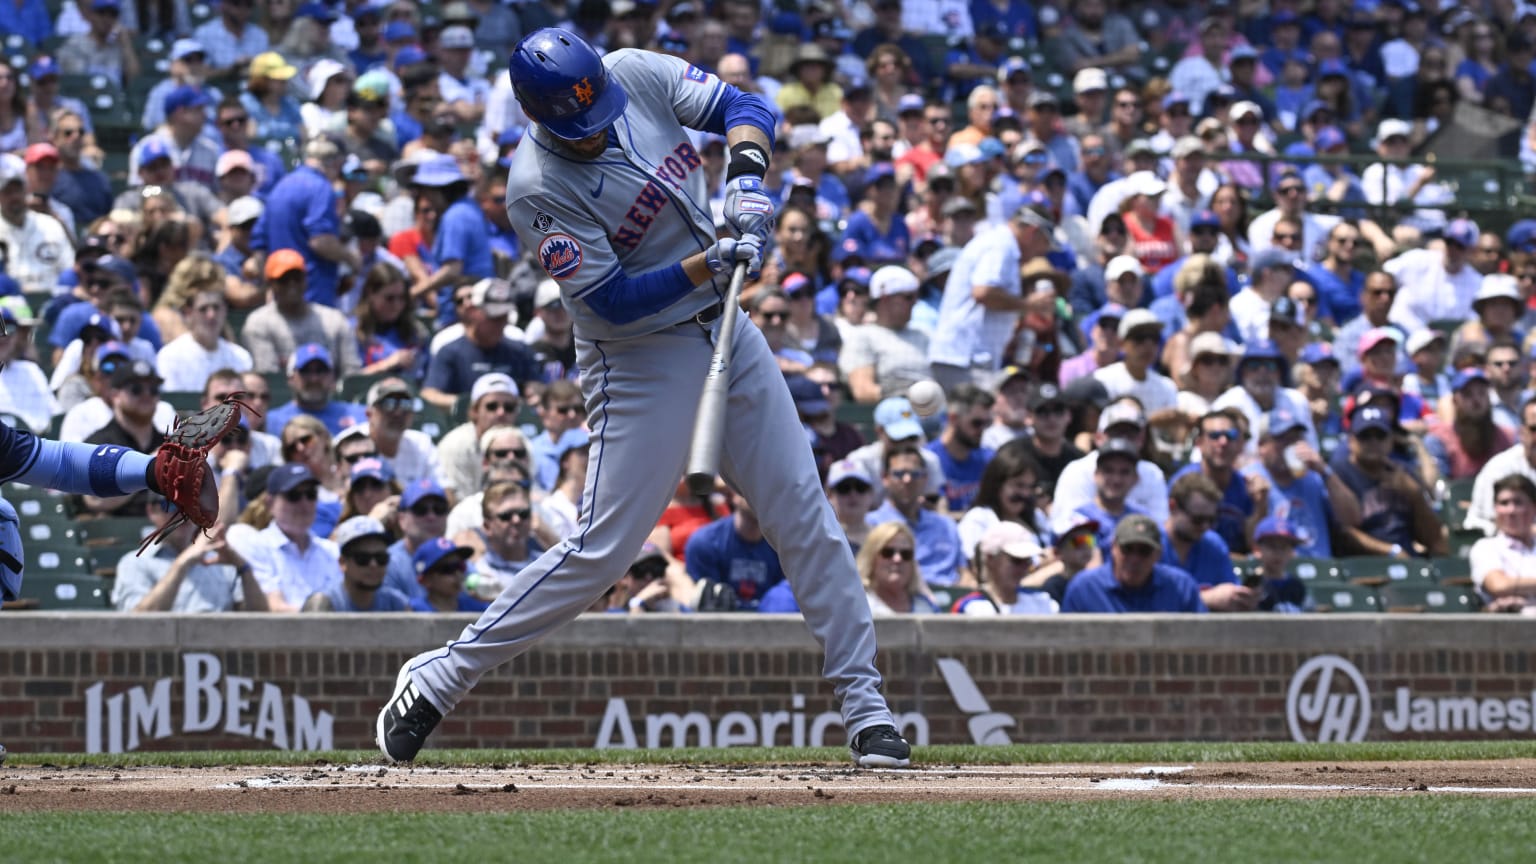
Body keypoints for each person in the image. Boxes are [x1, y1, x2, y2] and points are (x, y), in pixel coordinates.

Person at [377, 29, 910, 769]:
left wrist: (747, 174)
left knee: (804, 515)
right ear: (539, 116)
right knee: (603, 552)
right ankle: (441, 674)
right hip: (637, 358)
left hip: (728, 332)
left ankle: (866, 708)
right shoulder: (536, 183)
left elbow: (743, 104)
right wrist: (710, 260)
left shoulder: (632, 74)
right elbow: (613, 299)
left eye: (599, 116)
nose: (595, 134)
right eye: (579, 127)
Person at [927, 205, 1058, 391]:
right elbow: (983, 292)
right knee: (976, 416)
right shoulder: (1001, 245)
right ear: (1032, 232)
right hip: (965, 358)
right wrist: (1028, 304)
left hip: (969, 358)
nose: (1042, 252)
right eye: (1044, 243)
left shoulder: (1002, 244)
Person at [252, 134, 359, 308]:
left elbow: (259, 245)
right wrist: (351, 258)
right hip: (313, 297)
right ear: (336, 162)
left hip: (280, 300)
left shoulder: (281, 186)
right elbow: (320, 241)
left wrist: (270, 286)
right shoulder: (321, 188)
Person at [1330, 404, 1449, 558]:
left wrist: (1415, 495)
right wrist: (1391, 551)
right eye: (1365, 436)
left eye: (1380, 436)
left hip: (1408, 563)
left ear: (1390, 440)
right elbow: (1342, 531)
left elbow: (1435, 541)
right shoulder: (1340, 473)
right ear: (1351, 441)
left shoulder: (1402, 473)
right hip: (1359, 566)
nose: (1373, 442)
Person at [112, 494, 266, 613]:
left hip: (219, 650)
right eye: (173, 505)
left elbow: (261, 622)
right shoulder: (135, 563)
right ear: (152, 511)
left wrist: (243, 568)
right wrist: (182, 563)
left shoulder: (219, 560)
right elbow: (137, 624)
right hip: (165, 652)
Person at [225, 463, 343, 612]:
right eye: (293, 495)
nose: (304, 503)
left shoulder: (331, 551)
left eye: (311, 494)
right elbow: (270, 607)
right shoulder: (254, 545)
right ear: (269, 503)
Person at [421, 277, 540, 410]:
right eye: (494, 317)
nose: (501, 323)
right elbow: (429, 394)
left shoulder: (519, 351)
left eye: (504, 316)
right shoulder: (450, 351)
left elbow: (536, 387)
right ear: (473, 312)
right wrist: (474, 405)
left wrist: (532, 395)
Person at [242, 250, 363, 377]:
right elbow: (269, 378)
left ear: (305, 280)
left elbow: (352, 374)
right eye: (284, 279)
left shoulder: (335, 320)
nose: (292, 284)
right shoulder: (259, 323)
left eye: (297, 278)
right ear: (270, 283)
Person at [1060, 514, 1208, 613]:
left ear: (1158, 554)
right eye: (1127, 549)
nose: (1134, 558)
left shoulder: (1181, 588)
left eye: (1144, 551)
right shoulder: (1084, 589)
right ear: (1113, 548)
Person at [867, 443, 967, 587]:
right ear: (885, 478)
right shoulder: (871, 525)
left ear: (925, 478)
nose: (907, 480)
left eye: (915, 474)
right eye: (899, 474)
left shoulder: (946, 526)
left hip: (951, 602)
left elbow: (965, 573)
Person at [78, 361, 169, 517]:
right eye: (136, 389)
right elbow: (95, 500)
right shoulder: (98, 445)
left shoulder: (167, 444)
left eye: (153, 390)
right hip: (114, 535)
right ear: (115, 396)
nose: (146, 395)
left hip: (168, 533)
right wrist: (147, 468)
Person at [1161, 473, 1255, 611]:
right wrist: (1206, 599)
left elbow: (1231, 589)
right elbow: (1144, 601)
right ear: (1173, 507)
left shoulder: (1213, 544)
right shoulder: (1149, 546)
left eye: (1211, 520)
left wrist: (1243, 597)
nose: (1205, 527)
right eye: (1197, 519)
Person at [839, 265, 931, 403]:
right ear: (885, 299)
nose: (914, 302)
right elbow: (862, 391)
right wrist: (905, 394)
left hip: (934, 408)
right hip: (896, 410)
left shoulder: (925, 334)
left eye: (916, 297)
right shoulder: (863, 336)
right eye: (908, 297)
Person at [436, 373, 522, 504]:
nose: (501, 413)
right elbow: (459, 503)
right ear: (474, 411)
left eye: (509, 408)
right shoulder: (456, 445)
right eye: (492, 406)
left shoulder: (521, 443)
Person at [302, 515, 411, 612]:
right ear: (343, 563)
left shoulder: (396, 604)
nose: (373, 565)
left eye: (380, 558)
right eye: (363, 558)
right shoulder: (323, 605)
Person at [0, 154, 73, 295]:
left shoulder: (50, 226)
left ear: (26, 191)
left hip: (50, 298)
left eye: (18, 190)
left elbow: (68, 268)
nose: (14, 197)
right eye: (7, 192)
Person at [347, 378, 439, 486]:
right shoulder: (349, 445)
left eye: (406, 404)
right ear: (369, 413)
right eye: (388, 404)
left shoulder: (422, 444)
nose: (398, 412)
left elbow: (446, 491)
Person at [1466, 397, 1536, 535]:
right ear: (1522, 432)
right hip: (1497, 547)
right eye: (1534, 428)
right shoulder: (1501, 468)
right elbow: (1499, 521)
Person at [951, 521, 1055, 615]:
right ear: (990, 558)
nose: (1024, 568)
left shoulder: (1043, 602)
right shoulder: (970, 607)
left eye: (1028, 561)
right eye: (1017, 560)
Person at [264, 343, 367, 436]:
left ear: (333, 377)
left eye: (321, 371)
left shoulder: (359, 415)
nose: (314, 379)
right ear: (290, 378)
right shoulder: (272, 422)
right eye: (305, 371)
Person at [1470, 474, 1536, 612]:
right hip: (1511, 626)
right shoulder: (1486, 547)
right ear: (1495, 509)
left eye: (1518, 502)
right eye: (1504, 503)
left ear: (1533, 507)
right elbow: (1499, 585)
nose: (1510, 511)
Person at [926, 384, 995, 511]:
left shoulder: (989, 459)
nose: (982, 430)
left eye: (987, 424)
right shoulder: (928, 459)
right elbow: (938, 515)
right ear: (953, 418)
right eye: (976, 423)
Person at [383, 478, 452, 603]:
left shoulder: (456, 558)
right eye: (421, 509)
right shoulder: (386, 562)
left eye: (439, 508)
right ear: (402, 519)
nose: (431, 516)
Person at [409, 536, 490, 613]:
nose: (458, 573)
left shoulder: (476, 606)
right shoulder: (416, 609)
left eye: (461, 566)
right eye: (448, 569)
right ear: (425, 580)